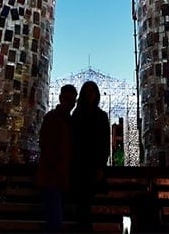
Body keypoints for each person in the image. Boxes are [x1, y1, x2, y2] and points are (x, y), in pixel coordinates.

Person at [70, 80, 110, 232]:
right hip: (79, 164)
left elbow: (105, 143)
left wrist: (101, 166)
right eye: (87, 92)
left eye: (92, 91)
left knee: (86, 201)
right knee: (83, 202)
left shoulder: (100, 116)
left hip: (92, 164)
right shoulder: (77, 114)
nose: (89, 95)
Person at [37, 83, 77, 233]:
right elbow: (46, 144)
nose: (70, 103)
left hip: (60, 174)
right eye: (68, 99)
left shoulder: (67, 120)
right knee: (55, 218)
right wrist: (56, 164)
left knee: (55, 214)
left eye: (72, 100)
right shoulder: (53, 118)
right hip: (52, 173)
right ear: (61, 98)